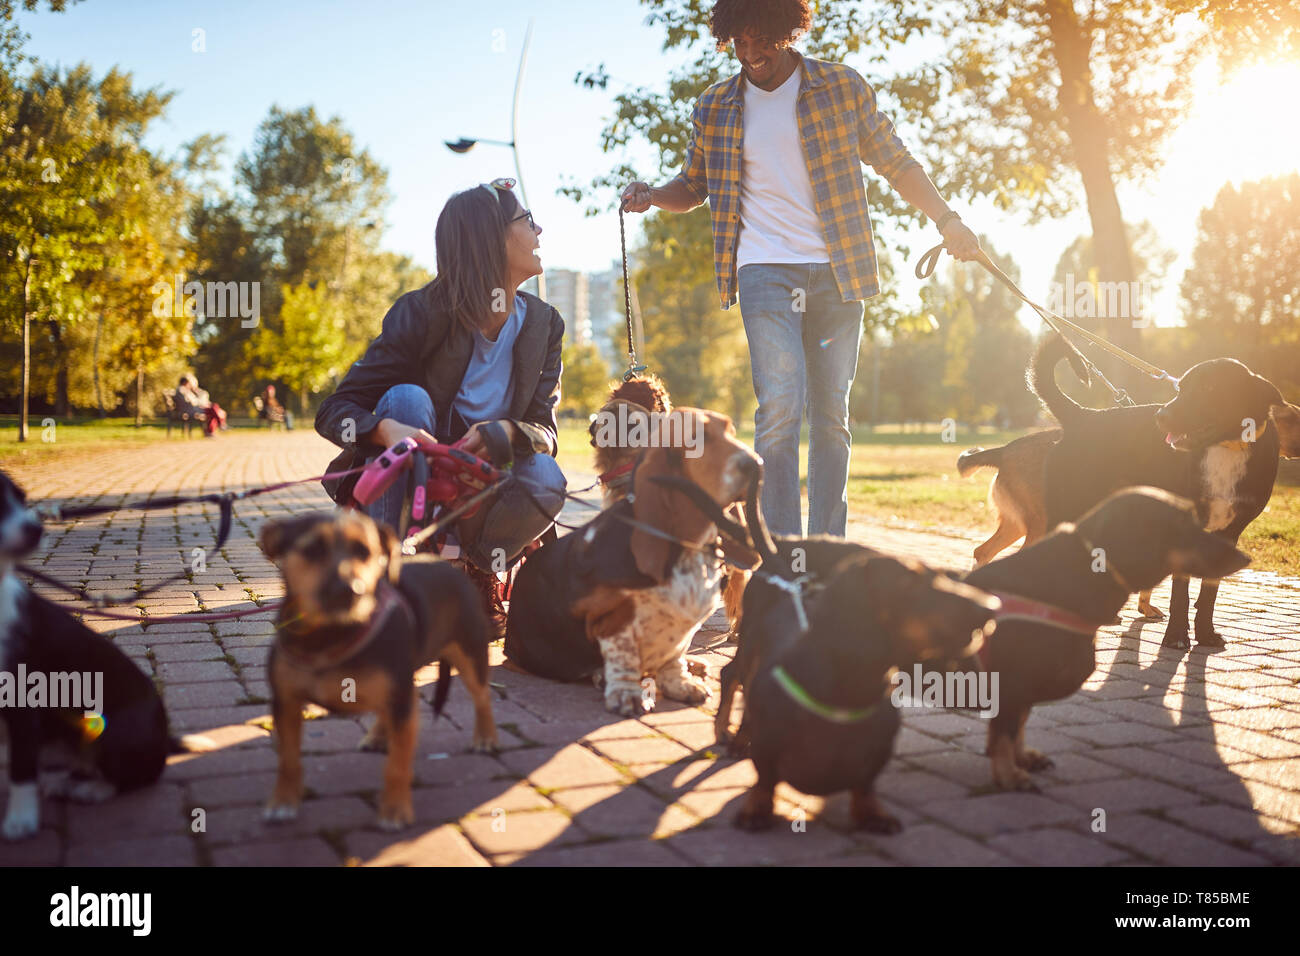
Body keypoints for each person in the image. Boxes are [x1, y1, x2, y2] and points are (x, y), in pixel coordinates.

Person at [622, 0, 981, 537]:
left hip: (839, 271)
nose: (750, 53)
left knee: (831, 417)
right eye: (738, 43)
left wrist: (947, 219)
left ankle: (826, 549)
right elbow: (694, 185)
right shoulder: (715, 105)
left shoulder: (841, 87)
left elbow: (896, 161)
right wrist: (652, 195)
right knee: (781, 407)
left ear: (786, 29)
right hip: (764, 269)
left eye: (759, 39)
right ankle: (780, 555)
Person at [315, 178, 567, 628]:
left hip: (489, 481)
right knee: (406, 401)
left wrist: (509, 432)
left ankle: (476, 571)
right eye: (527, 220)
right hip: (422, 475)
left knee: (547, 477)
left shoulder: (544, 325)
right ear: (492, 238)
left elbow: (544, 430)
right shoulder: (420, 312)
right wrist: (384, 430)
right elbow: (336, 409)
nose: (539, 230)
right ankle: (388, 577)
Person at [176, 373, 226, 438]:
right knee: (213, 408)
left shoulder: (184, 390)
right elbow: (191, 402)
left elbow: (197, 399)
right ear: (186, 382)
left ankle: (212, 430)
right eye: (189, 383)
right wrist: (201, 403)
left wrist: (196, 391)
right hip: (191, 410)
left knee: (214, 408)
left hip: (193, 408)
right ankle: (219, 425)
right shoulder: (182, 390)